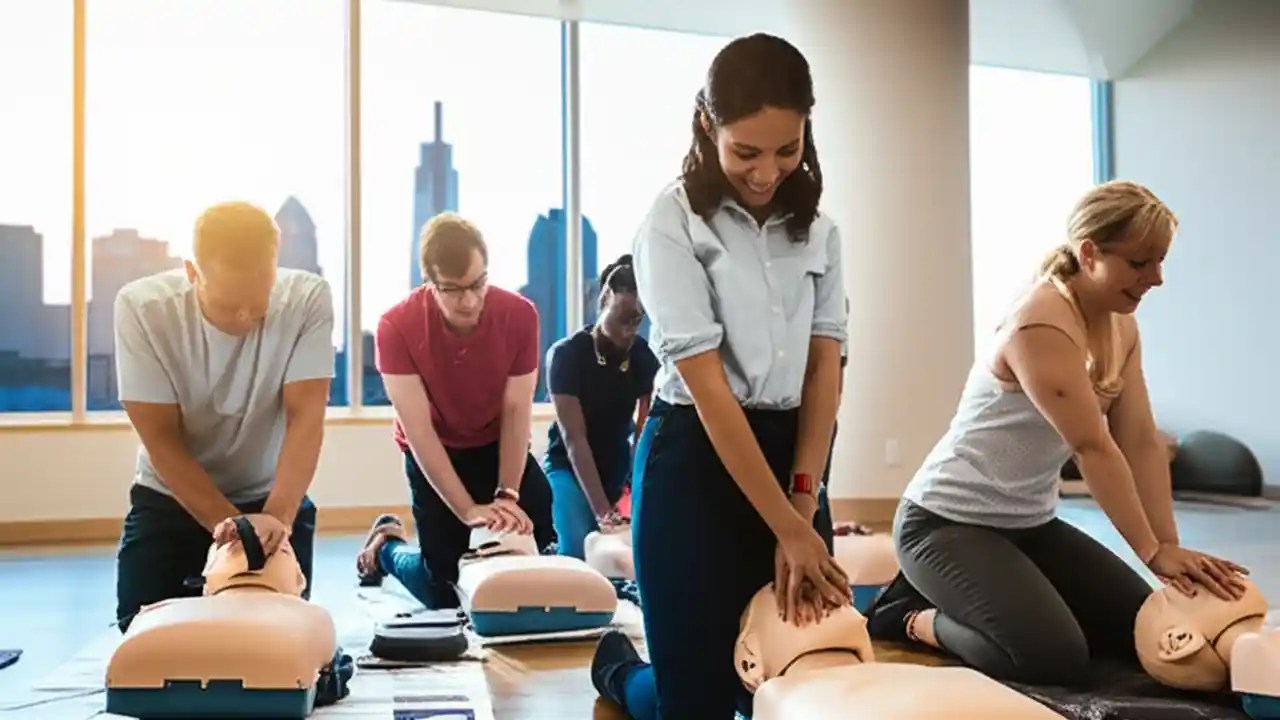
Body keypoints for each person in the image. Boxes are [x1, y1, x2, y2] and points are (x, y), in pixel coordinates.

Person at [864, 179, 1250, 687]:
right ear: (1089, 254)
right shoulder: (1041, 322)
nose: (1156, 278)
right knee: (1051, 659)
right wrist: (1151, 553)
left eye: (1160, 262)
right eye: (1140, 263)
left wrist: (1169, 546)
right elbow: (1094, 448)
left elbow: (1138, 440)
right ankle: (910, 616)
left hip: (1031, 526)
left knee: (1147, 632)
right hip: (945, 524)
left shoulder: (1121, 325)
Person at [589, 33, 852, 720]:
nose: (767, 173)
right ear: (708, 126)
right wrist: (789, 530)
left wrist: (803, 508)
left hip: (794, 458)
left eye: (787, 150)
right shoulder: (671, 223)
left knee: (784, 682)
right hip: (695, 458)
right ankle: (620, 672)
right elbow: (708, 390)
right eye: (746, 152)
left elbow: (824, 368)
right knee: (698, 699)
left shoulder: (819, 232)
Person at [113, 201, 334, 631]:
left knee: (273, 637)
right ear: (192, 272)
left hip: (271, 500)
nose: (246, 316)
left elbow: (306, 417)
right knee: (141, 631)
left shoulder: (307, 298)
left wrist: (276, 520)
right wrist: (230, 529)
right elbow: (160, 438)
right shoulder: (142, 308)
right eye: (231, 303)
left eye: (258, 300)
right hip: (172, 497)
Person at [355, 212, 556, 609]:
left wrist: (507, 494)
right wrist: (467, 510)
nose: (469, 300)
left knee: (542, 547)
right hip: (436, 447)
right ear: (430, 282)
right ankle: (387, 547)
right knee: (444, 590)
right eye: (453, 289)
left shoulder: (520, 315)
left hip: (495, 441)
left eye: (478, 284)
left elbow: (517, 409)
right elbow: (419, 431)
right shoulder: (396, 326)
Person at [542, 254, 660, 559]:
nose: (629, 331)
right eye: (623, 319)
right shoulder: (567, 356)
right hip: (568, 468)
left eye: (637, 321)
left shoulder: (642, 357)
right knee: (579, 551)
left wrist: (635, 492)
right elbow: (574, 439)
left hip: (615, 471)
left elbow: (644, 432)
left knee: (626, 554)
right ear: (605, 298)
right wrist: (603, 513)